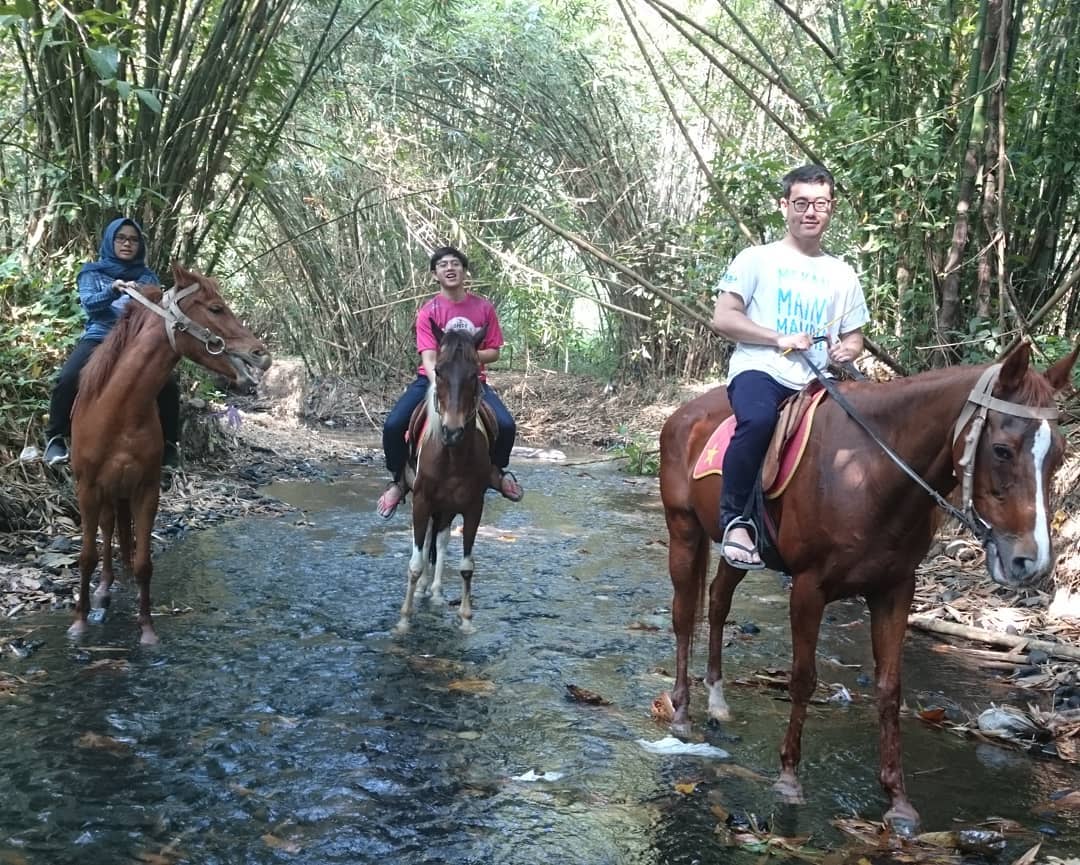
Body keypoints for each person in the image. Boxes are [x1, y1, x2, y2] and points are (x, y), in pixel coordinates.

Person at [711, 164, 869, 569]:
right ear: (784, 206)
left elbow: (854, 336)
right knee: (759, 421)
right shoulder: (757, 259)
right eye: (801, 203)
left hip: (818, 381)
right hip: (761, 370)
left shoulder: (842, 273)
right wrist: (778, 338)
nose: (810, 212)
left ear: (831, 208)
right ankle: (736, 520)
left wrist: (848, 351)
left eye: (820, 204)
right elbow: (724, 318)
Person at [376, 245, 524, 519]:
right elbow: (429, 357)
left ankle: (496, 472)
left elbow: (493, 352)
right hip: (433, 380)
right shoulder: (428, 311)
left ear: (465, 271)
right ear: (435, 274)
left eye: (455, 264)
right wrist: (440, 384)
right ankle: (398, 481)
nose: (450, 268)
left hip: (471, 381)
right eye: (443, 265)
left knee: (506, 425)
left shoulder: (484, 308)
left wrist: (465, 359)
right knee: (393, 425)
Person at [43, 217, 182, 472]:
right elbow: (90, 305)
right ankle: (56, 438)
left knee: (169, 385)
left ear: (140, 245)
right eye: (121, 238)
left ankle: (170, 445)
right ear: (110, 241)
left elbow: (153, 314)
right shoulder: (92, 272)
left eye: (133, 240)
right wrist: (113, 290)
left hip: (134, 341)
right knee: (68, 378)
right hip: (100, 336)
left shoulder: (147, 276)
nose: (127, 244)